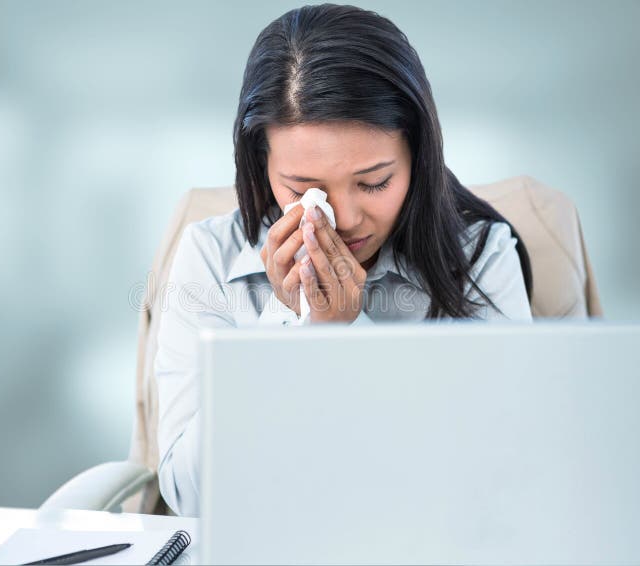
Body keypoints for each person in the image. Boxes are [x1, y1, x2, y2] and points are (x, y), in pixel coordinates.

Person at [155, 3, 533, 516]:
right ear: (261, 164)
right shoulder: (207, 257)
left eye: (375, 182)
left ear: (418, 159)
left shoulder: (482, 257)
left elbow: (497, 477)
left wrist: (347, 334)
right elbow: (189, 496)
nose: (347, 218)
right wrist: (289, 327)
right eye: (305, 190)